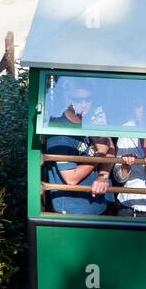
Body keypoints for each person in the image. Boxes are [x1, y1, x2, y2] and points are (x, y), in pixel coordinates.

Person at [43, 85, 114, 214]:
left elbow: (110, 146)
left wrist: (103, 175)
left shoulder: (90, 119)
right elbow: (71, 178)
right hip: (75, 209)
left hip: (100, 204)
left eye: (88, 99)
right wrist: (100, 155)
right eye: (77, 99)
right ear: (66, 98)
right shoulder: (60, 132)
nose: (84, 104)